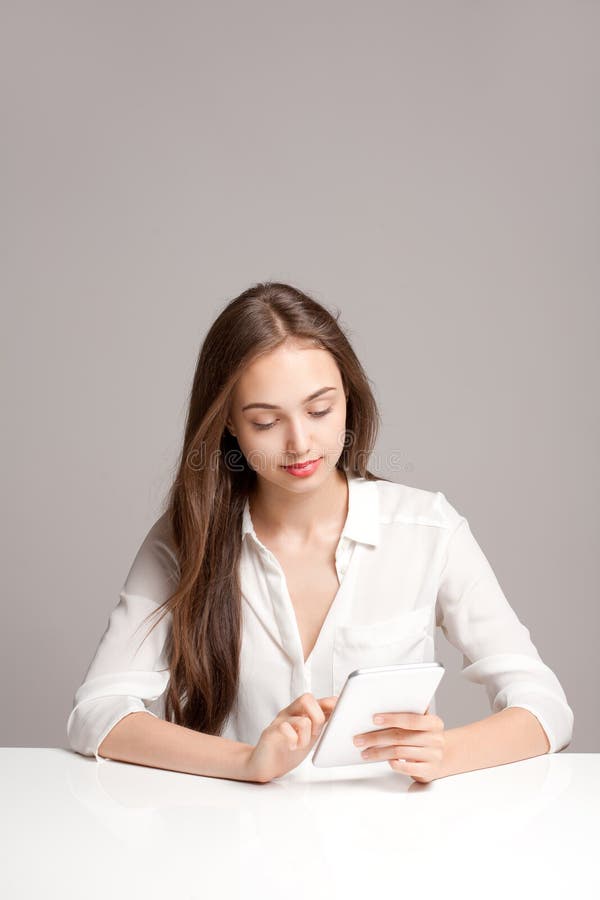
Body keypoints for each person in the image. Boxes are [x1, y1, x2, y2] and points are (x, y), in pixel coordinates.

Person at [66, 282, 573, 784]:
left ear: (349, 399)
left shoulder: (428, 530)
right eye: (265, 421)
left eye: (319, 410)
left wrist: (445, 752)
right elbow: (99, 712)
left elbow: (545, 707)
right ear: (229, 426)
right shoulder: (187, 538)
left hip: (389, 852)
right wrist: (247, 763)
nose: (299, 443)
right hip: (228, 849)